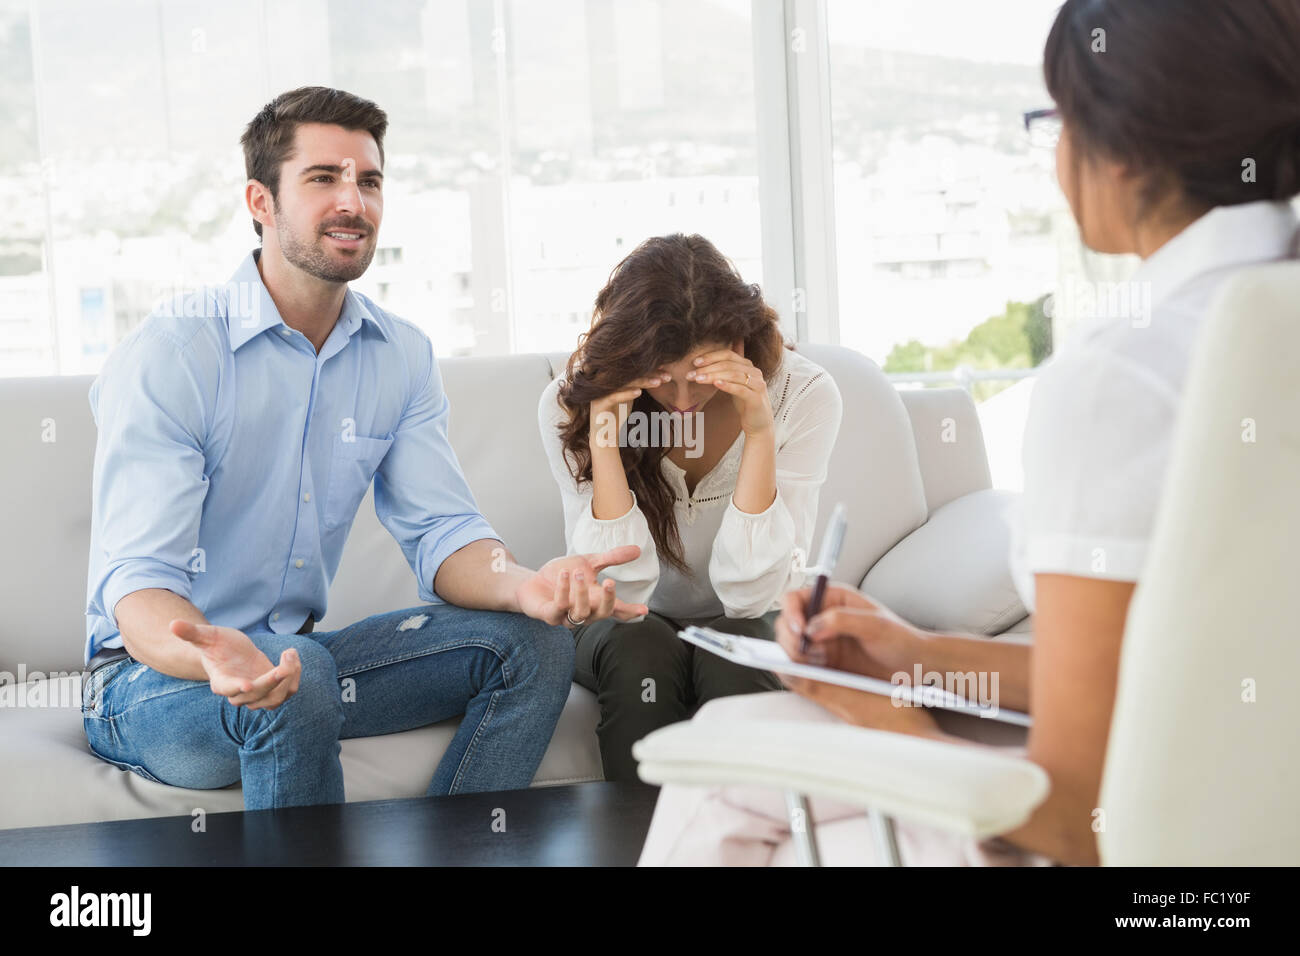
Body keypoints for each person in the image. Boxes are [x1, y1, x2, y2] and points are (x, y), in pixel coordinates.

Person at [637, 0, 1300, 865]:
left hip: (1167, 867)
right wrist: (917, 658)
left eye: (1058, 120)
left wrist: (884, 714)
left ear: (1125, 146)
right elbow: (1161, 682)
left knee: (717, 768)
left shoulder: (1119, 377)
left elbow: (1081, 819)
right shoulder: (1266, 313)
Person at [82, 86, 647, 810]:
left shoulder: (397, 353)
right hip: (148, 681)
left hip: (297, 659)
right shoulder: (176, 353)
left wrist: (524, 585)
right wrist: (210, 656)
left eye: (369, 180)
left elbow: (441, 532)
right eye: (323, 178)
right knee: (302, 674)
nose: (354, 201)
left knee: (534, 647)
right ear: (261, 202)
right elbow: (137, 588)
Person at [538, 234, 843, 780]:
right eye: (662, 378)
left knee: (737, 650)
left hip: (755, 612)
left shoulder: (804, 395)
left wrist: (758, 433)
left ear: (740, 344)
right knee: (642, 648)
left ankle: (743, 844)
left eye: (698, 376)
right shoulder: (572, 402)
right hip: (621, 623)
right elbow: (622, 591)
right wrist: (605, 444)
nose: (680, 401)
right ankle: (641, 843)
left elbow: (752, 595)